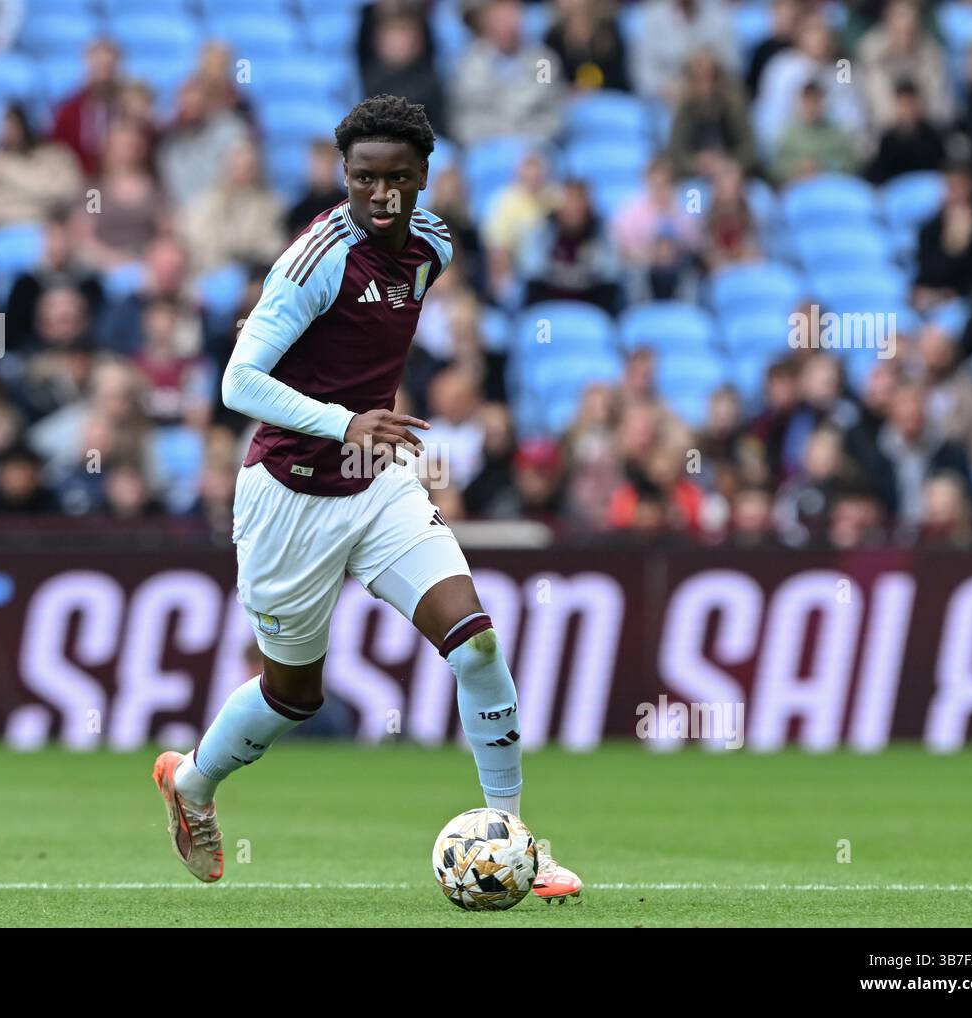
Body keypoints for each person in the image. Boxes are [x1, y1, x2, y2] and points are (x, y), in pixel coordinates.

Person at [151, 94, 582, 903]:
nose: (380, 195)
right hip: (288, 496)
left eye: (398, 178)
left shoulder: (435, 245)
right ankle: (193, 783)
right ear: (343, 176)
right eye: (363, 179)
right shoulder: (315, 259)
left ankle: (515, 837)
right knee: (293, 697)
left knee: (477, 644)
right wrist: (345, 419)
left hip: (376, 483)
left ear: (423, 177)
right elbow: (237, 382)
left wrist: (366, 425)